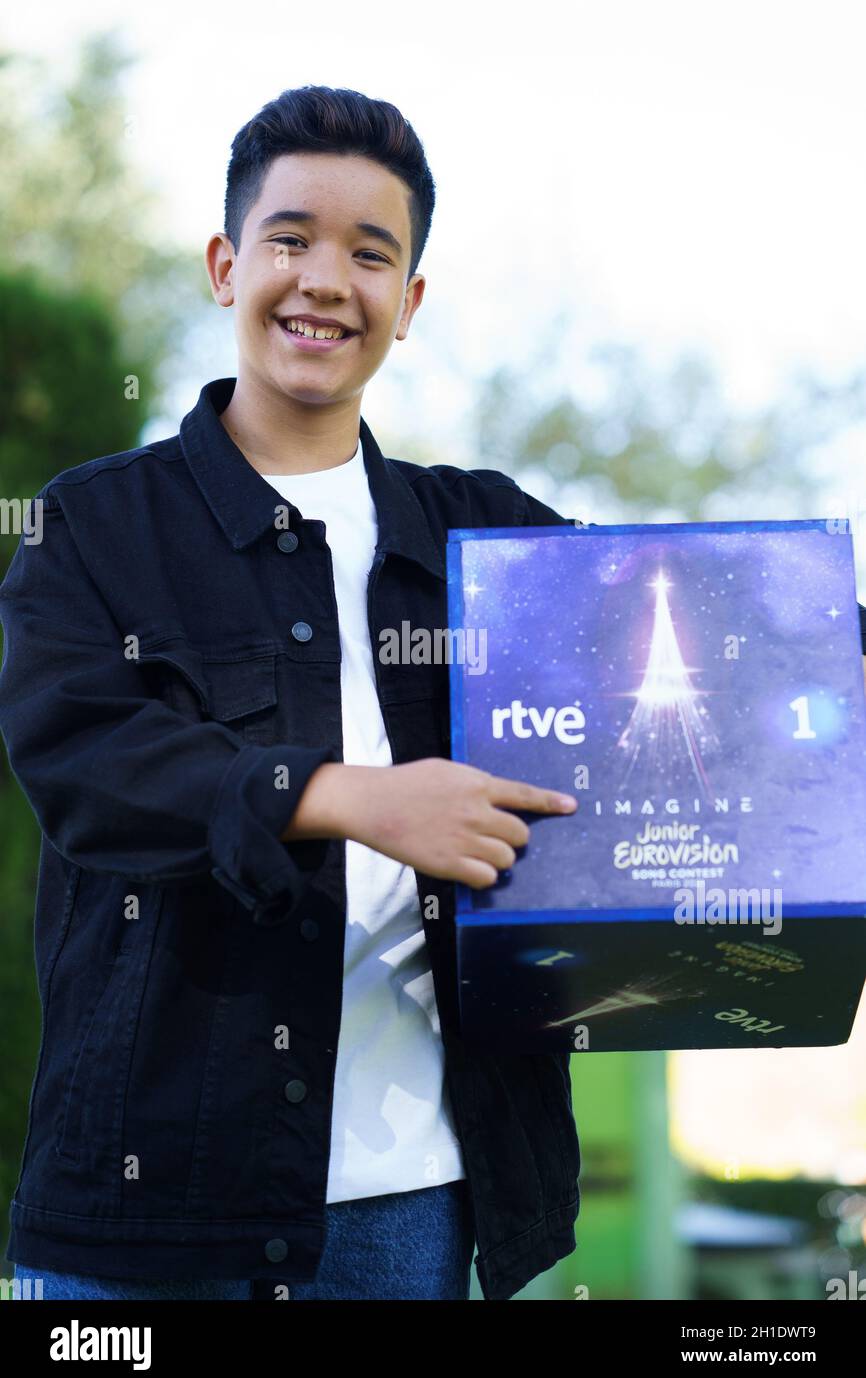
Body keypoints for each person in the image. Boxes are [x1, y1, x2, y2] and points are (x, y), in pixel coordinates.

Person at [0, 85, 581, 1301]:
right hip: (151, 1222)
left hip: (416, 1212)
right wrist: (342, 795)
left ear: (407, 304)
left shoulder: (485, 534)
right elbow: (83, 761)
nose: (325, 279)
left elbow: (689, 631)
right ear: (225, 265)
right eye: (289, 238)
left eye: (371, 254)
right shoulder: (94, 525)